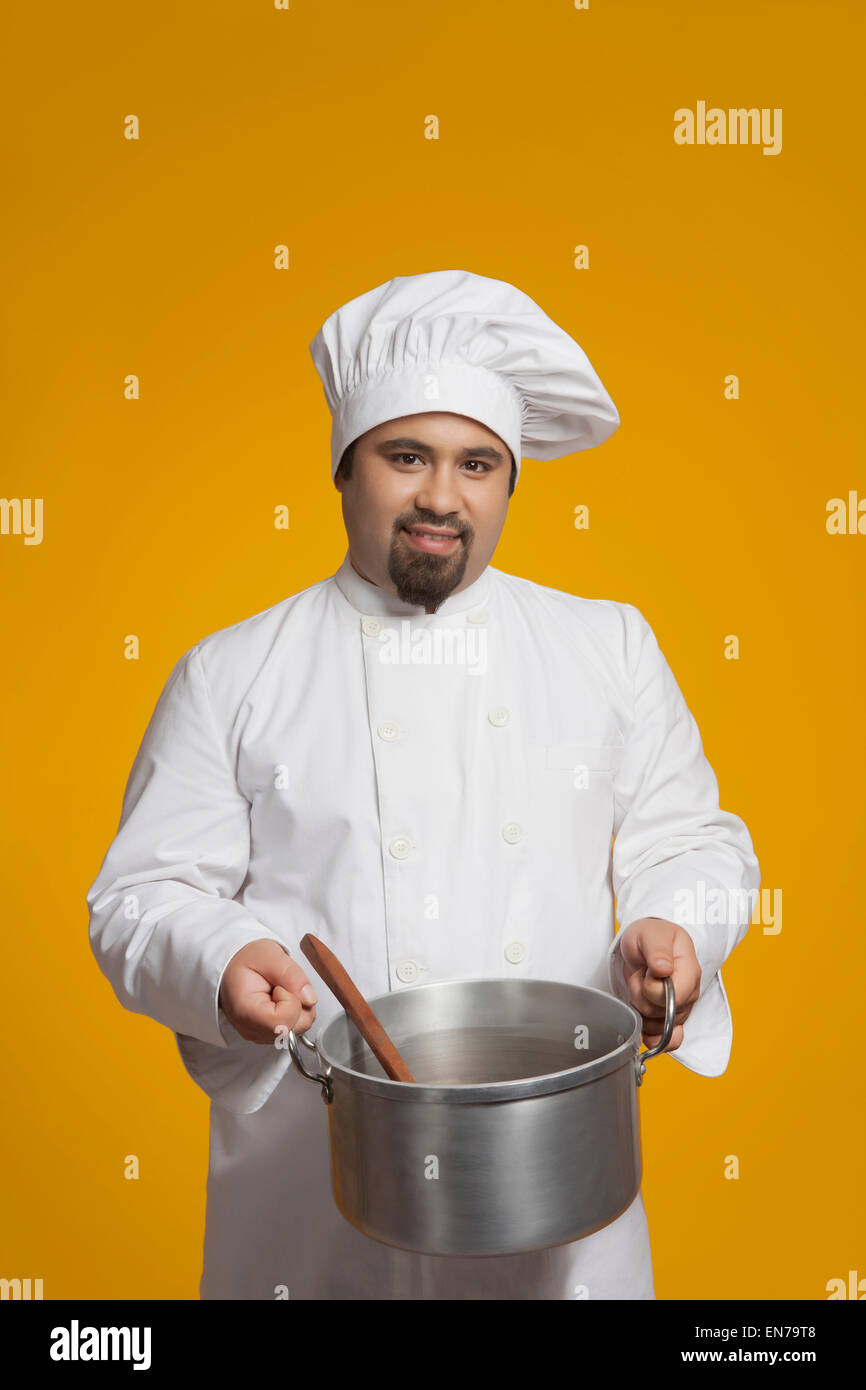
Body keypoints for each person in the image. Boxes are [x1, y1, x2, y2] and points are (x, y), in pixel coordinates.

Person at [86, 269, 760, 1300]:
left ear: (507, 482)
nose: (441, 496)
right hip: (313, 1214)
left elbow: (694, 845)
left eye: (475, 464)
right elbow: (137, 897)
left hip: (558, 1197)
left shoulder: (605, 645)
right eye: (407, 456)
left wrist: (676, 932)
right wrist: (221, 958)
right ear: (346, 470)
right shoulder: (232, 671)